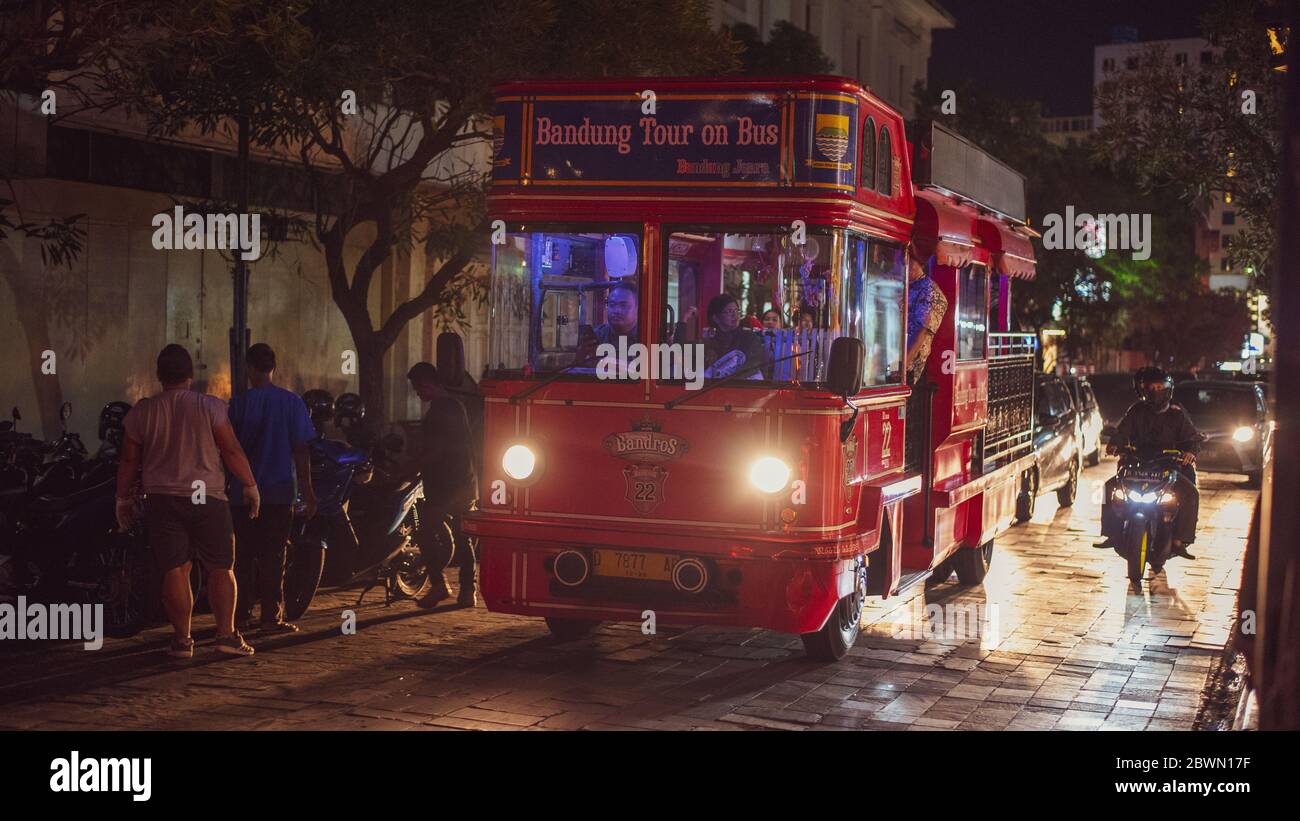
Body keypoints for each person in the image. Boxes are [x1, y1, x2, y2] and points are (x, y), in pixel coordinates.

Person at [115, 344, 258, 658]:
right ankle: (225, 636)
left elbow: (128, 460)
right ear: (191, 375)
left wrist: (122, 499)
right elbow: (231, 450)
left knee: (175, 570)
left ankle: (182, 641)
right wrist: (249, 484)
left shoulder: (143, 411)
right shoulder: (211, 407)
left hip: (162, 498)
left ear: (159, 375)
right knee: (221, 567)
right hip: (206, 495)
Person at [228, 343, 318, 633]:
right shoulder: (292, 403)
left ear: (250, 368)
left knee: (242, 555)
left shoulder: (240, 403)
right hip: (280, 492)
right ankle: (271, 616)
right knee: (274, 555)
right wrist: (308, 490)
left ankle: (240, 615)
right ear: (273, 368)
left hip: (242, 493)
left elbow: (227, 449)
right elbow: (301, 450)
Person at [1096, 367, 1202, 560]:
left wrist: (1189, 452)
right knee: (1108, 487)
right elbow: (1122, 432)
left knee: (1190, 493)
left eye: (1160, 386)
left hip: (1168, 467)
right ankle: (1111, 532)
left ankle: (1180, 541)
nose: (1156, 390)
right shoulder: (1136, 411)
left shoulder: (1177, 414)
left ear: (1168, 389)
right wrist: (1115, 444)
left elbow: (1192, 438)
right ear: (1143, 389)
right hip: (1137, 466)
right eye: (1151, 387)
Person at [406, 362, 479, 608]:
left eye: (418, 389)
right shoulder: (454, 406)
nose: (418, 394)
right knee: (463, 537)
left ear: (428, 383)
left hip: (447, 483)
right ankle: (468, 591)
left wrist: (415, 465)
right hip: (462, 481)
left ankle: (439, 585)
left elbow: (438, 449)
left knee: (425, 530)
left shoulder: (441, 409)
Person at [904, 250, 948, 384]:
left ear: (919, 263)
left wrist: (903, 364)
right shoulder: (904, 285)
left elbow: (922, 331)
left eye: (909, 261)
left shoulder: (930, 292)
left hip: (910, 367)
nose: (904, 264)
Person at [702, 293, 769, 379]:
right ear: (716, 318)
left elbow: (751, 366)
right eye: (729, 311)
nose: (735, 315)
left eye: (736, 310)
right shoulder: (708, 344)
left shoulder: (749, 338)